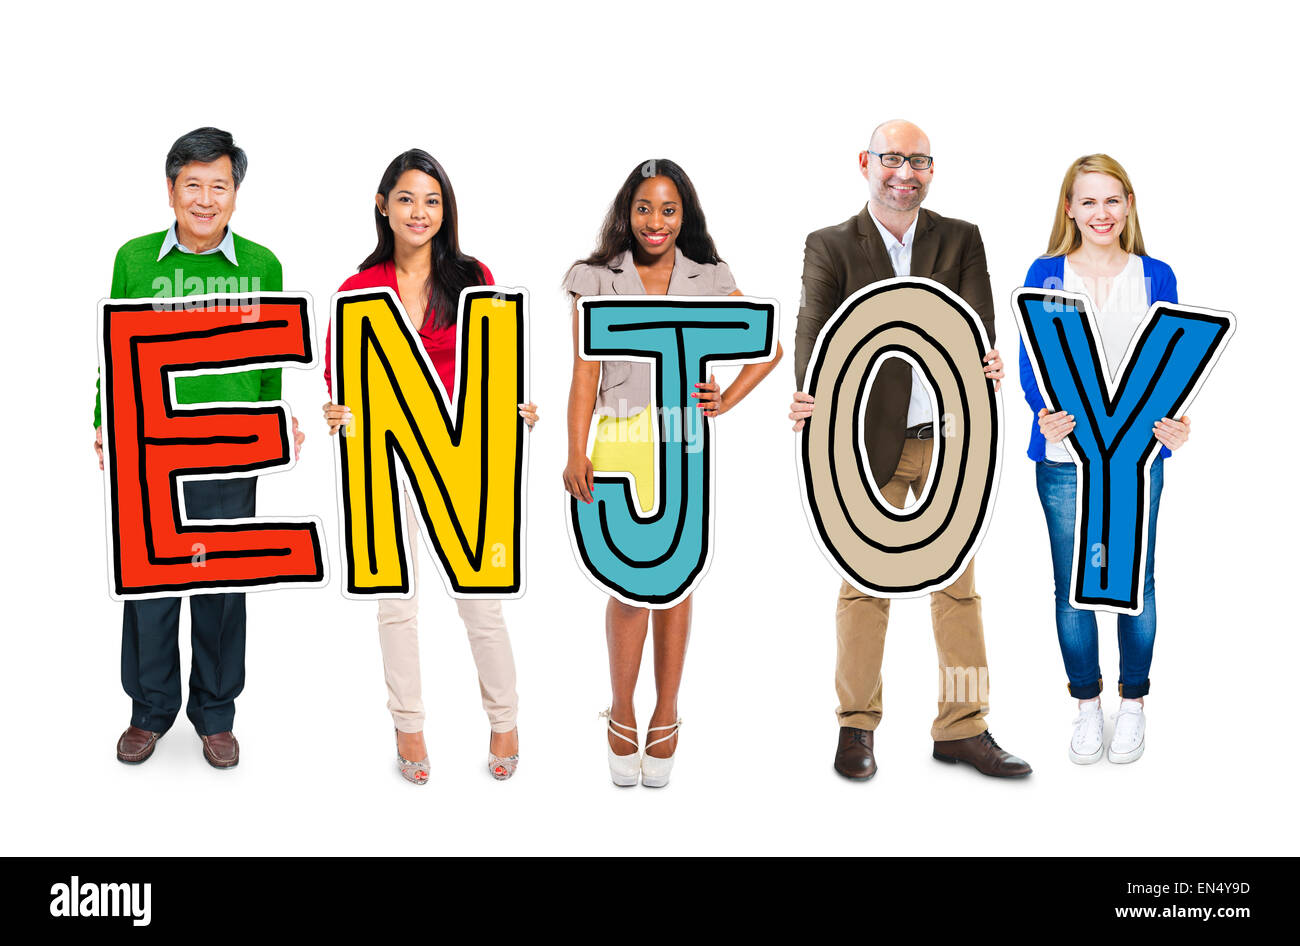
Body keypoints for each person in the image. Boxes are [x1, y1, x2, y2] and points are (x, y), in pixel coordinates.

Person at [790, 119, 1031, 780]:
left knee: (959, 588)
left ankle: (963, 727)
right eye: (892, 158)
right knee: (864, 586)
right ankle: (856, 729)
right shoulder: (832, 244)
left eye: (919, 161)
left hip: (952, 443)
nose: (905, 172)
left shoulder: (961, 238)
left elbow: (978, 329)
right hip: (870, 445)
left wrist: (988, 363)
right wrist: (808, 392)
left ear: (932, 170)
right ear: (865, 162)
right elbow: (813, 327)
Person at [562, 158, 782, 787]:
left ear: (685, 215)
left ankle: (667, 710)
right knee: (628, 585)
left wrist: (730, 397)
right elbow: (583, 374)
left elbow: (769, 345)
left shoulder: (708, 276)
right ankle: (623, 710)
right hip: (620, 436)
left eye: (668, 210)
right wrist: (577, 452)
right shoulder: (595, 277)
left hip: (682, 440)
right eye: (643, 209)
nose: (655, 222)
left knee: (677, 585)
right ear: (625, 213)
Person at [322, 149, 536, 784]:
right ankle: (408, 726)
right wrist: (335, 410)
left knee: (481, 601)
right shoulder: (357, 291)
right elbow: (341, 374)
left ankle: (505, 720)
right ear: (383, 206)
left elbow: (496, 359)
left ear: (446, 212)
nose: (420, 212)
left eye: (432, 200)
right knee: (395, 600)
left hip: (459, 455)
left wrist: (513, 405)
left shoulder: (472, 276)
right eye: (408, 199)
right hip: (387, 457)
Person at [94, 127, 303, 769]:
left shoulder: (262, 266)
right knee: (152, 585)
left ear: (236, 194)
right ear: (170, 190)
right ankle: (149, 712)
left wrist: (277, 422)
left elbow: (270, 362)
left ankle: (216, 715)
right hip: (150, 447)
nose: (205, 199)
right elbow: (114, 349)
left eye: (220, 185)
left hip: (230, 451)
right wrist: (105, 419)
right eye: (193, 185)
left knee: (221, 583)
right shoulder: (134, 260)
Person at [1020, 154, 1186, 766]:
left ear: (1129, 206)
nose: (1101, 213)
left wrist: (1178, 419)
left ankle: (1134, 702)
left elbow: (1172, 362)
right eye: (1088, 201)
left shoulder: (1156, 276)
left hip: (1137, 458)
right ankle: (1088, 707)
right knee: (1074, 584)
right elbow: (1033, 356)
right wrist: (1043, 412)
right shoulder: (1045, 272)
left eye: (1112, 200)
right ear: (1069, 208)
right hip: (1065, 458)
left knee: (1134, 581)